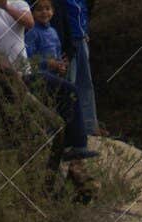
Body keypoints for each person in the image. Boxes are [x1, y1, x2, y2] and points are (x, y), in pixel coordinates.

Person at [0, 0, 96, 162]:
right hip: (1, 79)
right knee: (18, 120)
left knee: (68, 91)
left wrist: (6, 7)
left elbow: (29, 22)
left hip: (27, 75)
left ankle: (76, 146)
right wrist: (9, 72)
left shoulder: (18, 4)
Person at [57, 0, 95, 136]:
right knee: (69, 85)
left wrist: (85, 31)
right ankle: (70, 128)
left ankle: (89, 126)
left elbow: (83, 10)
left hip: (81, 39)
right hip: (67, 41)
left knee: (85, 83)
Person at [24, 0, 66, 75]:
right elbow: (29, 57)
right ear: (32, 13)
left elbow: (58, 53)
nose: (44, 12)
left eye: (47, 8)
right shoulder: (32, 33)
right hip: (38, 76)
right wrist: (47, 63)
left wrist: (60, 66)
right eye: (39, 9)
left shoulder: (53, 31)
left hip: (54, 76)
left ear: (53, 11)